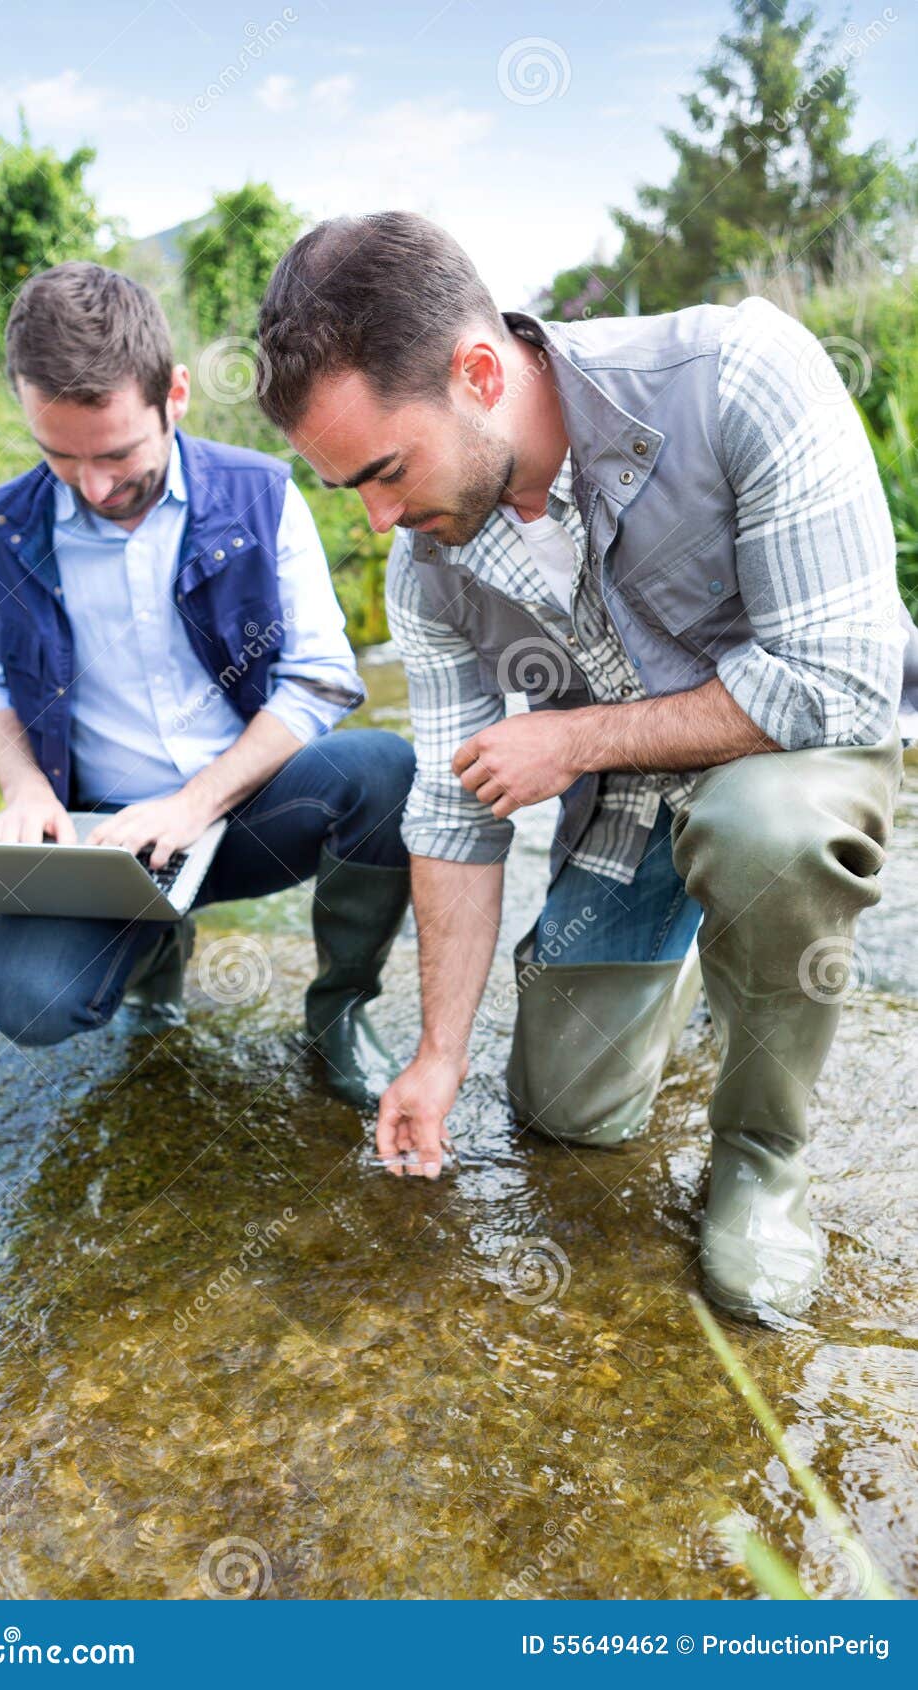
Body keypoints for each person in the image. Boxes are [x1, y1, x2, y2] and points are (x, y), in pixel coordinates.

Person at [255, 210, 918, 1322]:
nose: (375, 522)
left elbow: (840, 681)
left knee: (760, 836)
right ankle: (713, 972)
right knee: (567, 1113)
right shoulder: (430, 564)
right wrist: (436, 1055)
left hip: (791, 766)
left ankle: (760, 1154)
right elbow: (453, 805)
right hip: (624, 813)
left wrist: (572, 739)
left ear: (475, 371)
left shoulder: (738, 376)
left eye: (381, 472)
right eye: (346, 493)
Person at [0, 260, 415, 1109]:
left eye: (117, 453)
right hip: (103, 840)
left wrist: (194, 805)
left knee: (385, 772)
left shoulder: (263, 495)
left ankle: (340, 1009)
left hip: (246, 811)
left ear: (175, 393)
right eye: (60, 455)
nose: (93, 487)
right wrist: (22, 788)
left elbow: (319, 680)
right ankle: (152, 952)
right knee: (31, 1006)